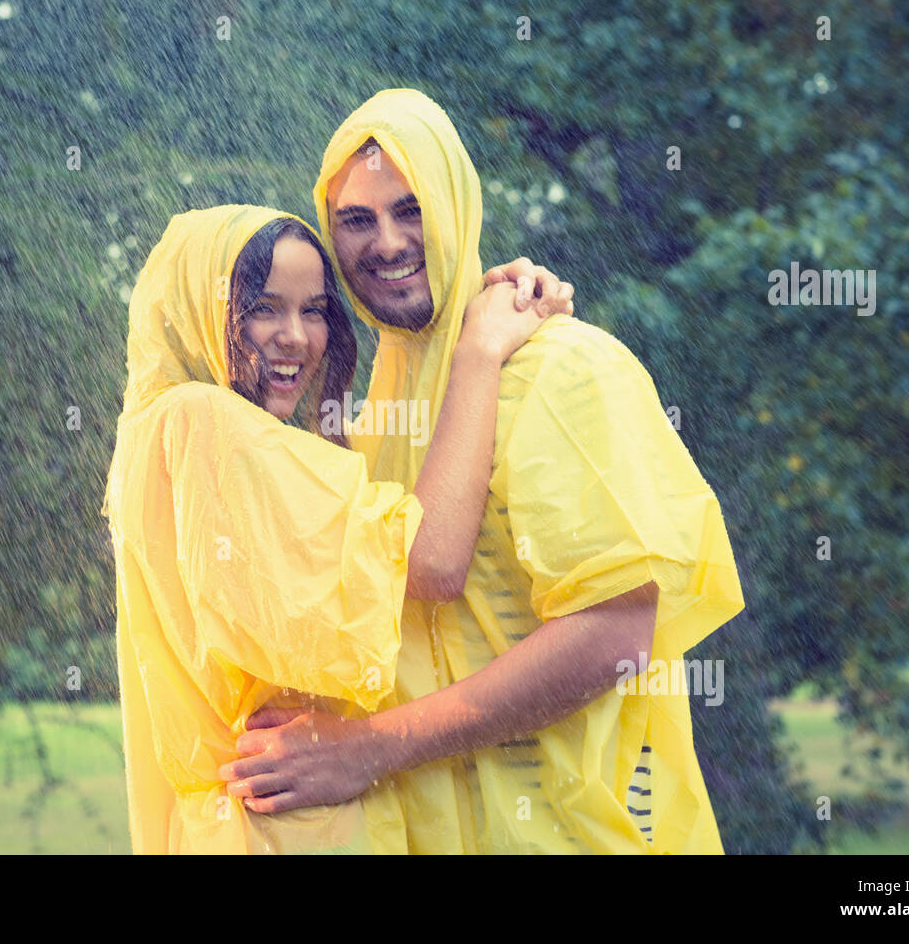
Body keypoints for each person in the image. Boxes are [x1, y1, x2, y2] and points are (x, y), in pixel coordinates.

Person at [221, 90, 746, 854]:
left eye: (413, 208)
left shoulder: (563, 368)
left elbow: (615, 631)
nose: (389, 242)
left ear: (458, 205)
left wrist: (369, 747)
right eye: (357, 220)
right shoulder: (374, 412)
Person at [101, 204, 570, 853]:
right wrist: (480, 350)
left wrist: (464, 297)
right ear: (195, 307)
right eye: (264, 308)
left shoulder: (154, 434)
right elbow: (431, 561)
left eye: (315, 309)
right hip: (286, 826)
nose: (296, 336)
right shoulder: (202, 425)